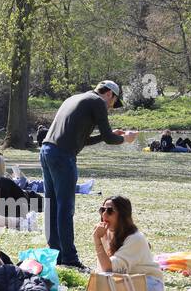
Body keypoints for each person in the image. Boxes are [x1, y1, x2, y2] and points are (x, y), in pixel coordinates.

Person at [38, 80, 136, 269]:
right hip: (63, 156)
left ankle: (55, 254)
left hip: (47, 151)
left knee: (52, 206)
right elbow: (109, 138)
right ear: (109, 94)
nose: (110, 107)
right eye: (113, 103)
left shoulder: (75, 98)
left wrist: (109, 135)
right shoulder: (98, 102)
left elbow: (83, 141)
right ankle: (70, 259)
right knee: (65, 209)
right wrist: (125, 139)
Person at [92, 195, 166, 291]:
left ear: (122, 215)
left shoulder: (135, 238)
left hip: (149, 283)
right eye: (102, 210)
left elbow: (108, 268)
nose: (104, 214)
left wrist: (97, 241)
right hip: (126, 281)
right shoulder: (108, 233)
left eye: (109, 211)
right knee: (101, 290)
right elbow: (103, 271)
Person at [0, 152, 39, 227]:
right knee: (30, 196)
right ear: (1, 166)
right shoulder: (7, 182)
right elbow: (22, 198)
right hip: (10, 215)